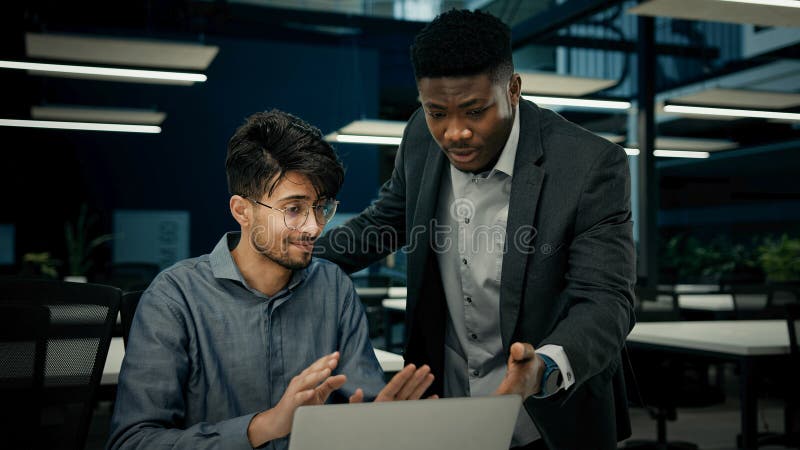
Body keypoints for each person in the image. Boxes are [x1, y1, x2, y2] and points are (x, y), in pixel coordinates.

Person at [315, 9, 636, 450]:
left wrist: (542, 367)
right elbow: (385, 222)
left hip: (549, 416)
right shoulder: (420, 136)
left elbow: (604, 300)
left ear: (514, 89)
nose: (455, 132)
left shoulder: (589, 166)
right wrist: (290, 256)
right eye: (436, 112)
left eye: (474, 110)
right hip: (444, 404)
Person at [107, 110, 435, 450]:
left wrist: (376, 423)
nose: (314, 227)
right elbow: (132, 442)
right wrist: (266, 425)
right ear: (242, 210)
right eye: (293, 209)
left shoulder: (334, 289)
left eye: (321, 207)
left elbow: (361, 404)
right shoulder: (175, 298)